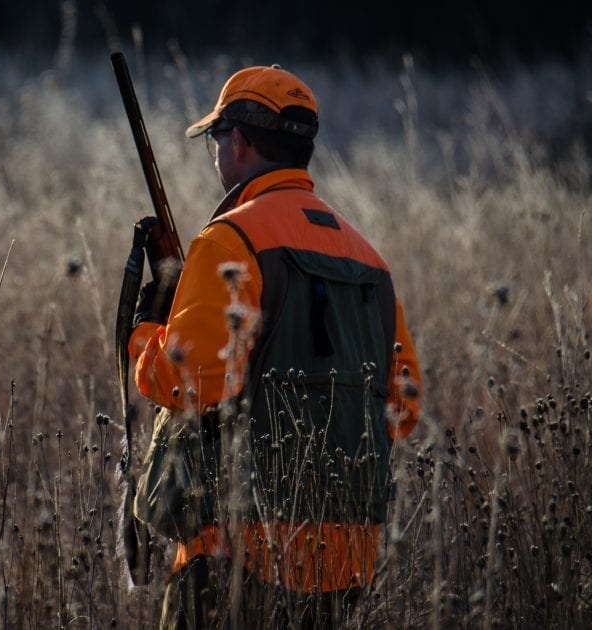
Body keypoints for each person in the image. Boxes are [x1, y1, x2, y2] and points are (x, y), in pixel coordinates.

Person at [128, 65, 423, 629]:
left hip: (239, 549)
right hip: (347, 561)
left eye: (216, 139)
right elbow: (402, 407)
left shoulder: (230, 240)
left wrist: (145, 332)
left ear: (237, 142)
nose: (216, 152)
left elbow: (189, 381)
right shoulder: (368, 259)